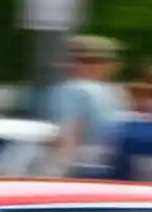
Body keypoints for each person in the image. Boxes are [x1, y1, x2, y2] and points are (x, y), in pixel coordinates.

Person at [49, 35, 127, 178]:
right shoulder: (117, 92)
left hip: (80, 167)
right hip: (114, 166)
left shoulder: (72, 89)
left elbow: (69, 131)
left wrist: (59, 172)